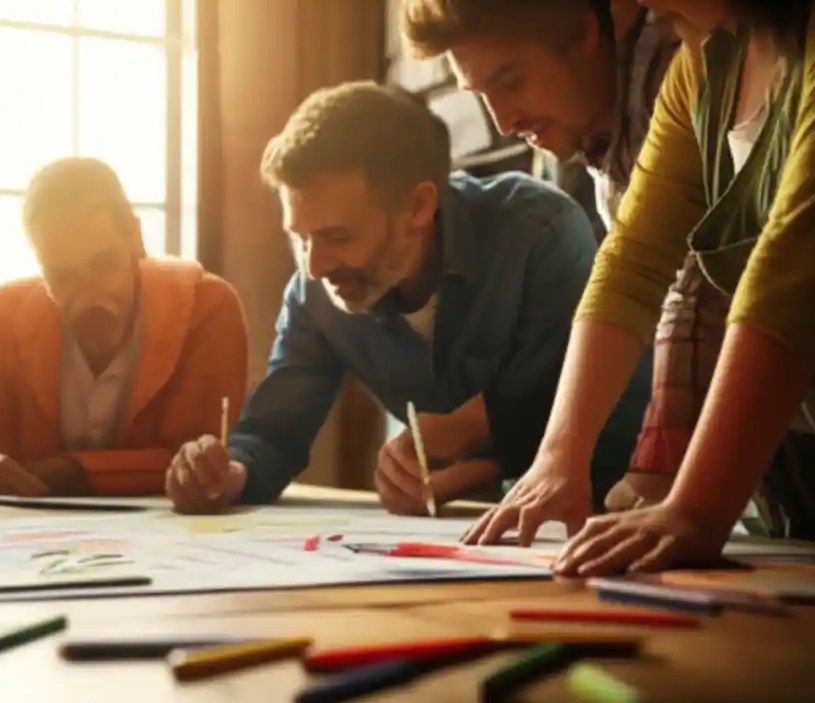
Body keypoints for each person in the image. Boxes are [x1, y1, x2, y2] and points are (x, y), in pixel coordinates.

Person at [466, 0, 815, 575]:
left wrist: (694, 509)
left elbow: (797, 260)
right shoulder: (702, 64)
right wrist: (558, 459)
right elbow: (630, 262)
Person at [165, 81, 650, 517]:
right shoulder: (315, 291)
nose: (315, 265)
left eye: (337, 235)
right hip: (468, 540)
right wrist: (230, 473)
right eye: (300, 236)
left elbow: (609, 411)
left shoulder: (537, 233)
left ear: (418, 206)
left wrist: (470, 451)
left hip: (621, 511)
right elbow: (272, 433)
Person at [400, 0, 694, 513]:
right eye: (482, 95)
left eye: (510, 81)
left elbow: (682, 293)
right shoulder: (599, 134)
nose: (504, 120)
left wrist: (654, 474)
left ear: (584, 33)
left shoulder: (676, 73)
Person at [0, 158, 247, 497]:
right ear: (39, 262)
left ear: (136, 239)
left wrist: (73, 471)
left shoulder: (206, 307)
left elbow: (202, 457)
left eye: (103, 264)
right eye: (62, 276)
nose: (89, 294)